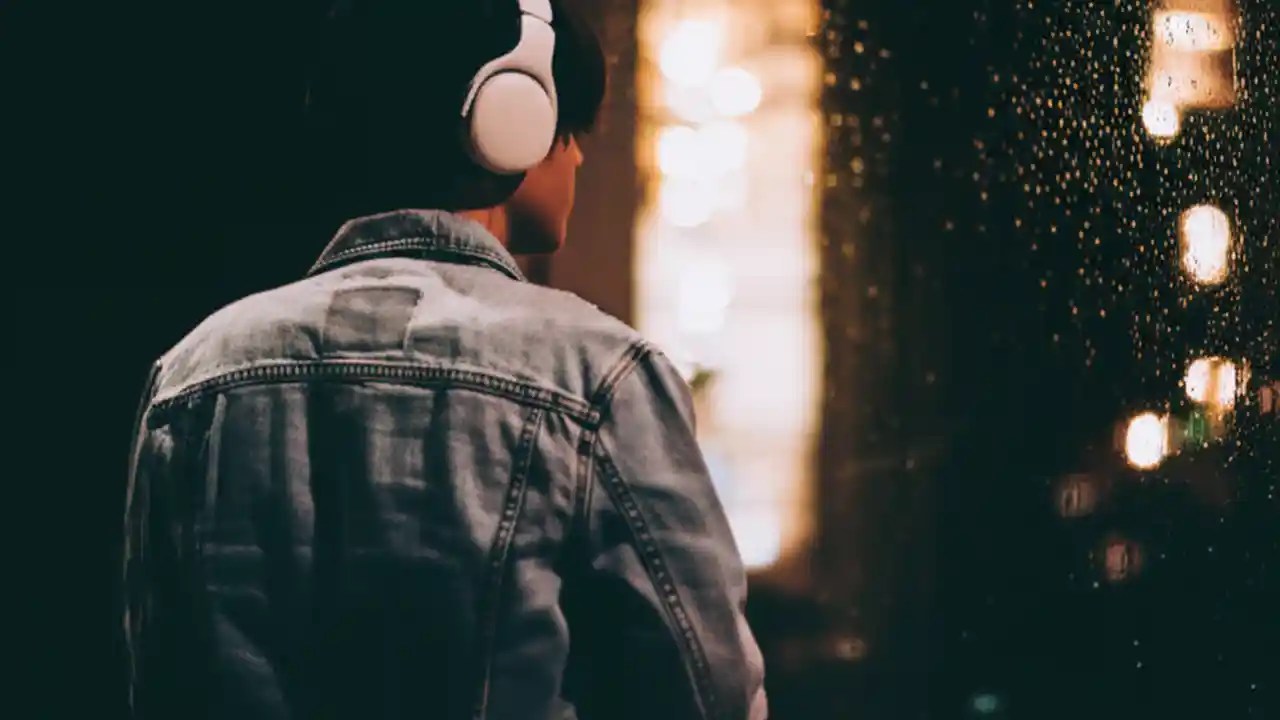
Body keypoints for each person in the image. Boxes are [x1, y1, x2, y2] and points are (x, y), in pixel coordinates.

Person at [121, 1, 767, 718]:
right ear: (509, 120)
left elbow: (162, 680)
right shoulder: (600, 379)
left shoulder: (193, 373)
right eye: (571, 131)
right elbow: (709, 695)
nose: (578, 157)